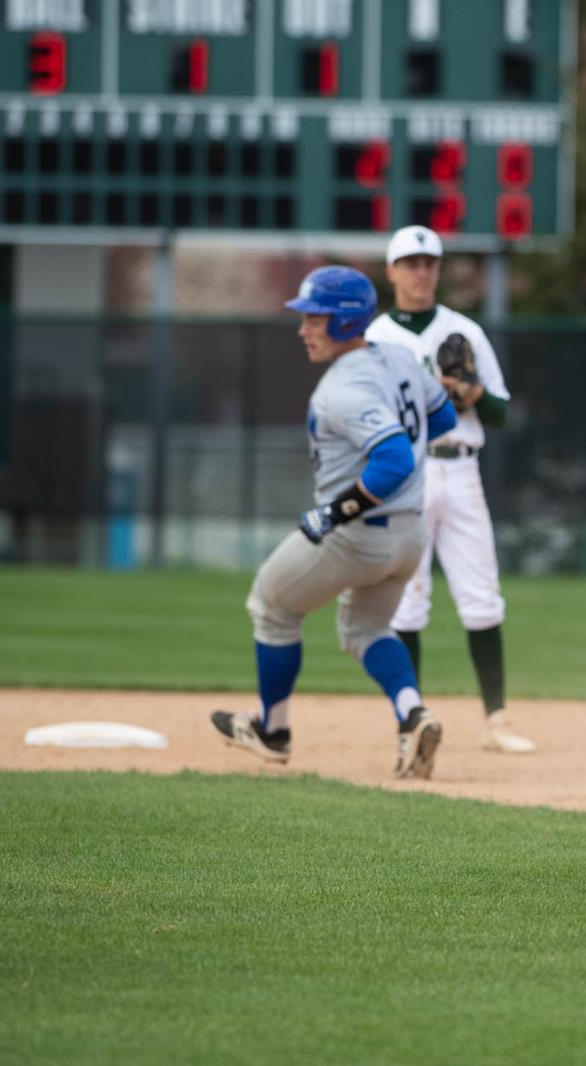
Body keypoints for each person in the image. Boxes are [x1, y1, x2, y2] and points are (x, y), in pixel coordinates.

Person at [211, 265, 457, 779]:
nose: (304, 329)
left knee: (272, 604)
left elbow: (393, 460)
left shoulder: (340, 388)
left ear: (345, 322)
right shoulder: (399, 358)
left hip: (356, 533)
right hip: (410, 535)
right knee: (367, 628)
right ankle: (412, 713)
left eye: (315, 318)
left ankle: (272, 731)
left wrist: (335, 511)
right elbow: (443, 419)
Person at [366, 225, 534, 755]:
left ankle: (497, 721)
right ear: (392, 271)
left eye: (429, 262)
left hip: (461, 470)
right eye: (411, 263)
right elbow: (363, 415)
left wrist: (471, 390)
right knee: (406, 605)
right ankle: (408, 721)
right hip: (405, 477)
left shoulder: (463, 330)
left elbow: (502, 412)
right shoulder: (375, 338)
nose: (421, 271)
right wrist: (429, 394)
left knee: (482, 597)